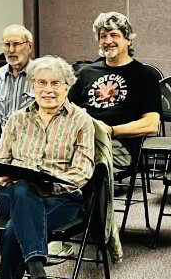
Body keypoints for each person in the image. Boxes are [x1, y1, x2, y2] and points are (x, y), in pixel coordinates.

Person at [0, 56, 96, 279]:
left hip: (60, 199)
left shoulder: (81, 121)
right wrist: (1, 177)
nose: (48, 89)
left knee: (14, 228)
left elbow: (82, 172)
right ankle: (37, 275)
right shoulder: (17, 119)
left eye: (56, 83)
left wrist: (47, 181)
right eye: (41, 83)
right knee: (22, 190)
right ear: (32, 86)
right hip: (15, 195)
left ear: (67, 86)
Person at [68, 11, 160, 173]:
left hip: (119, 147)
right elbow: (66, 110)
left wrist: (110, 131)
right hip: (82, 141)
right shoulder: (85, 73)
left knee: (82, 164)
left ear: (128, 40)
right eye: (103, 36)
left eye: (114, 35)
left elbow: (151, 124)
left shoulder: (144, 75)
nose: (108, 41)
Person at [0, 24, 34, 125]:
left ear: (29, 46)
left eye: (16, 44)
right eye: (7, 44)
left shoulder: (40, 76)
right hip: (3, 134)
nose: (11, 50)